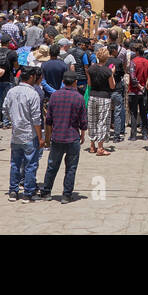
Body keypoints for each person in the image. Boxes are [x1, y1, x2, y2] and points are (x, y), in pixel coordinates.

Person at [40, 69, 86, 201]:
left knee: (52, 166)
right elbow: (83, 120)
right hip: (72, 136)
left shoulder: (55, 96)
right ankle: (66, 194)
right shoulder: (79, 97)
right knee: (71, 167)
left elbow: (48, 119)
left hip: (57, 136)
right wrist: (82, 134)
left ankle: (46, 192)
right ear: (75, 82)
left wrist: (48, 137)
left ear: (63, 82)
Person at [3, 66, 44, 201]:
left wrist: (14, 121)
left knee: (15, 163)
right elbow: (36, 119)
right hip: (29, 134)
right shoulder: (33, 94)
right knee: (31, 164)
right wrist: (40, 137)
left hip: (16, 134)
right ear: (31, 77)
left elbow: (5, 110)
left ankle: (13, 191)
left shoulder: (11, 92)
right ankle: (28, 192)